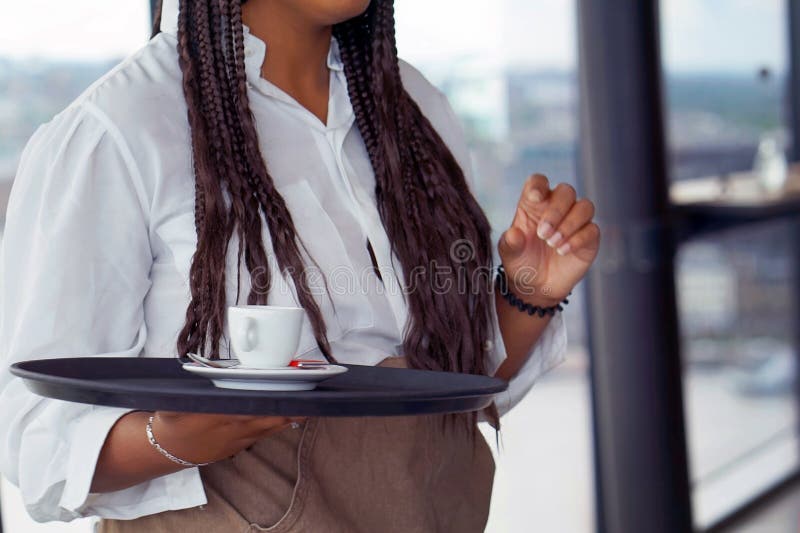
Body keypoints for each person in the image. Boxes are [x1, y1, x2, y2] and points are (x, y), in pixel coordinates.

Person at [0, 0, 600, 531]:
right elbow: (39, 444)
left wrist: (529, 293)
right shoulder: (117, 131)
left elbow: (450, 392)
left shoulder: (413, 111)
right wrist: (174, 440)